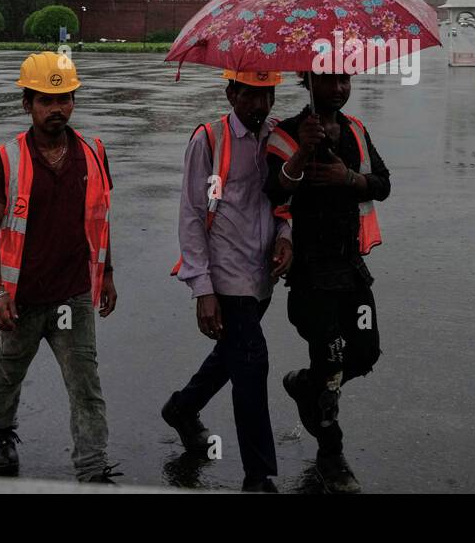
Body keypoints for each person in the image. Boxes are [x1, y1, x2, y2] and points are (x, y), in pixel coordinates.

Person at [0, 51, 120, 483]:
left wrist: (107, 272)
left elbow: (101, 216)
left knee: (86, 386)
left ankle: (92, 469)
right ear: (27, 104)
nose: (57, 109)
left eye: (65, 99)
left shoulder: (93, 153)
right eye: (45, 100)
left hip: (73, 294)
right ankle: (0, 436)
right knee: (8, 372)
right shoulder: (6, 159)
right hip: (23, 298)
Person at [163, 70, 294, 493]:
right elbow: (191, 214)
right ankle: (259, 476)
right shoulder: (209, 140)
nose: (260, 105)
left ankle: (183, 408)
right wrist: (202, 289)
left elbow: (285, 200)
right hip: (225, 277)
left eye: (267, 94)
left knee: (232, 356)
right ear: (231, 92)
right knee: (252, 365)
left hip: (262, 274)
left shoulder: (278, 137)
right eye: (251, 95)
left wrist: (287, 238)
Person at [265, 72, 390, 494]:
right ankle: (331, 453)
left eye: (344, 80)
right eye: (327, 80)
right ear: (307, 81)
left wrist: (348, 179)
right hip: (310, 274)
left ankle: (305, 385)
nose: (338, 88)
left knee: (365, 353)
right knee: (332, 358)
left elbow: (383, 184)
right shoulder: (285, 134)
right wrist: (301, 152)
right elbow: (274, 191)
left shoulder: (355, 130)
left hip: (350, 268)